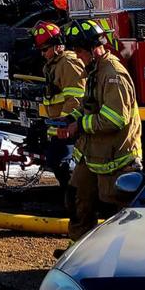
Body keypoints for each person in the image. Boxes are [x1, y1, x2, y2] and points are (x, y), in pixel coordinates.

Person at [56, 18, 143, 244]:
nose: (77, 57)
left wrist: (81, 125)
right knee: (76, 200)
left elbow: (115, 118)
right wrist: (69, 119)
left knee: (122, 215)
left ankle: (125, 256)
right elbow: (89, 105)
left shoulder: (113, 74)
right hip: (92, 154)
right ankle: (77, 254)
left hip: (117, 157)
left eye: (79, 52)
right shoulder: (94, 70)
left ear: (93, 49)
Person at [34, 21, 86, 191]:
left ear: (57, 47)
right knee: (55, 162)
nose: (42, 54)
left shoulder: (68, 64)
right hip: (58, 127)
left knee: (65, 165)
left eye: (45, 49)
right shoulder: (51, 65)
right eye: (40, 50)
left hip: (67, 128)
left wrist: (65, 125)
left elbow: (76, 99)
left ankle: (77, 198)